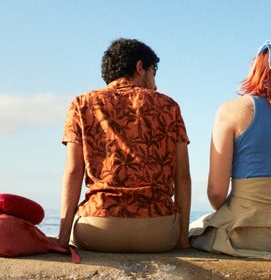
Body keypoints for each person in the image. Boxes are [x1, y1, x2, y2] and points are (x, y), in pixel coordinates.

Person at [59, 38, 192, 252]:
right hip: (158, 232)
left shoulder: (81, 104)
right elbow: (183, 177)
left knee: (81, 229)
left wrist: (62, 239)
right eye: (153, 73)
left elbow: (74, 171)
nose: (155, 84)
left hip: (99, 229)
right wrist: (183, 240)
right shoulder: (169, 106)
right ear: (140, 67)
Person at [189, 41, 271, 259]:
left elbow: (216, 192)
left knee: (196, 228)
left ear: (257, 68)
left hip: (240, 235)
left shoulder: (230, 111)